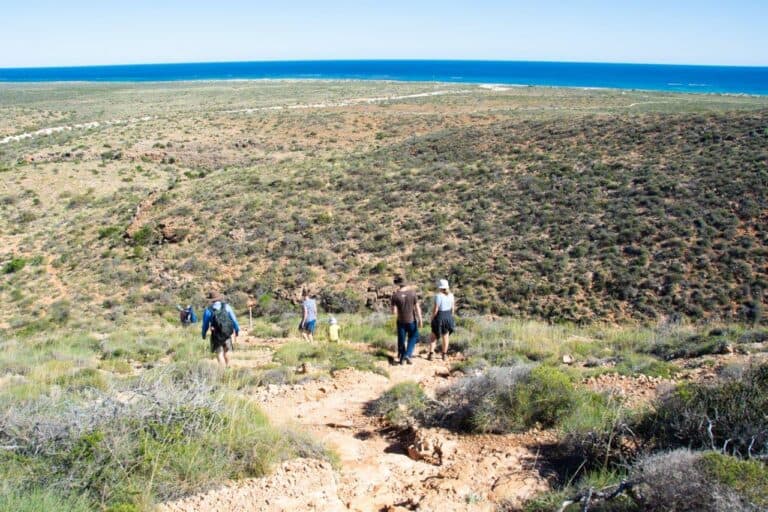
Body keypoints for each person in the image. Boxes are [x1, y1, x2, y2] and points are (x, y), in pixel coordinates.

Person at [201, 291, 240, 367]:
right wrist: (237, 330)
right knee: (227, 350)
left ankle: (222, 371)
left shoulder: (208, 310)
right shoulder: (226, 306)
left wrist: (203, 334)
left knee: (219, 353)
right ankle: (228, 366)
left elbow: (205, 325)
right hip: (226, 333)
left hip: (216, 334)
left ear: (211, 300)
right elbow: (234, 320)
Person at [390, 275, 422, 365]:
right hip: (411, 320)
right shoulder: (412, 293)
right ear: (406, 283)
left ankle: (402, 358)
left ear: (399, 284)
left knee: (401, 340)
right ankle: (408, 355)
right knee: (413, 336)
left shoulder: (395, 295)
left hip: (401, 321)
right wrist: (420, 319)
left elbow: (394, 312)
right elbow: (417, 308)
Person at [428, 279, 455, 361]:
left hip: (439, 316)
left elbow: (436, 309)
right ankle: (444, 355)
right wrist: (450, 317)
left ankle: (431, 355)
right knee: (446, 337)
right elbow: (453, 308)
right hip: (448, 316)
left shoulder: (438, 296)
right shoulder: (451, 295)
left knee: (433, 336)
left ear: (440, 287)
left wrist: (432, 318)